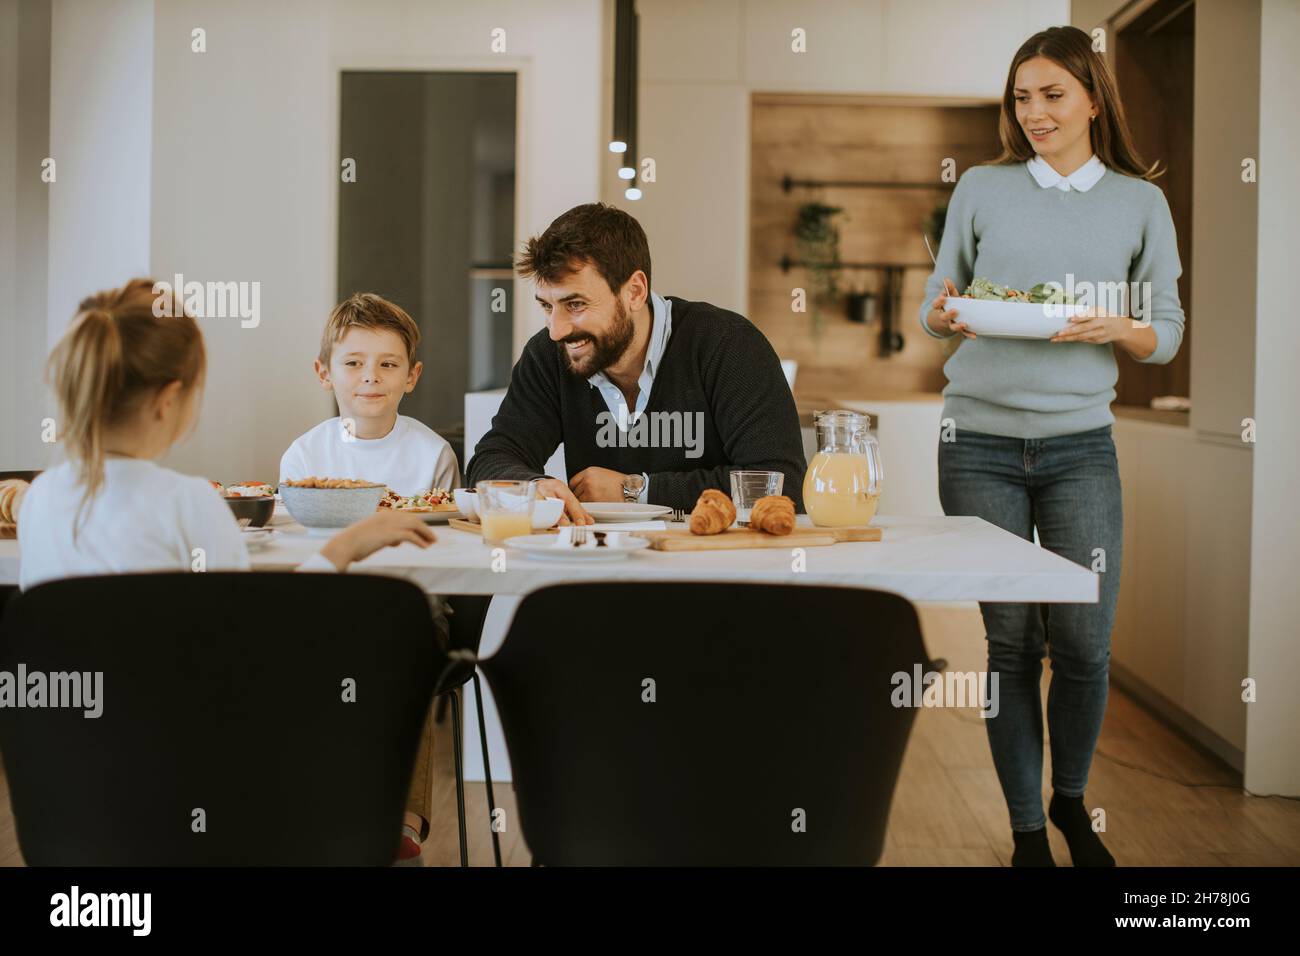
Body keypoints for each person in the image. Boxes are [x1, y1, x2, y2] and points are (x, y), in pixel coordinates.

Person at [16, 278, 437, 865]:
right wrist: (348, 547)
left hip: (69, 777)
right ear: (169, 400)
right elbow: (268, 629)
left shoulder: (40, 501)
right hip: (194, 758)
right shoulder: (189, 502)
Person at [920, 26, 1185, 866]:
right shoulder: (983, 189)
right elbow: (937, 304)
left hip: (1080, 448)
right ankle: (1026, 834)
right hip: (978, 442)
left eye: (1053, 95)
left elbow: (1168, 333)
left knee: (1083, 644)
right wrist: (945, 311)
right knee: (1010, 646)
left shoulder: (1140, 202)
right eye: (1022, 96)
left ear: (1093, 100)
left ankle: (1070, 801)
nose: (1033, 112)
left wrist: (1122, 327)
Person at [466, 202, 806, 523]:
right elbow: (491, 459)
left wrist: (636, 490)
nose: (556, 330)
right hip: (597, 567)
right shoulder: (549, 355)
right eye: (547, 306)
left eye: (576, 305)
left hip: (710, 568)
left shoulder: (728, 344)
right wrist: (532, 485)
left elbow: (782, 482)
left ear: (635, 291)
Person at [280, 291, 456, 862]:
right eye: (352, 363)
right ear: (323, 372)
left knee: (404, 642)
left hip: (417, 599)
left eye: (388, 364)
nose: (370, 378)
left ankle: (404, 822)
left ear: (412, 376)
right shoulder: (303, 457)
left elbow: (443, 547)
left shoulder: (432, 454)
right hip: (331, 602)